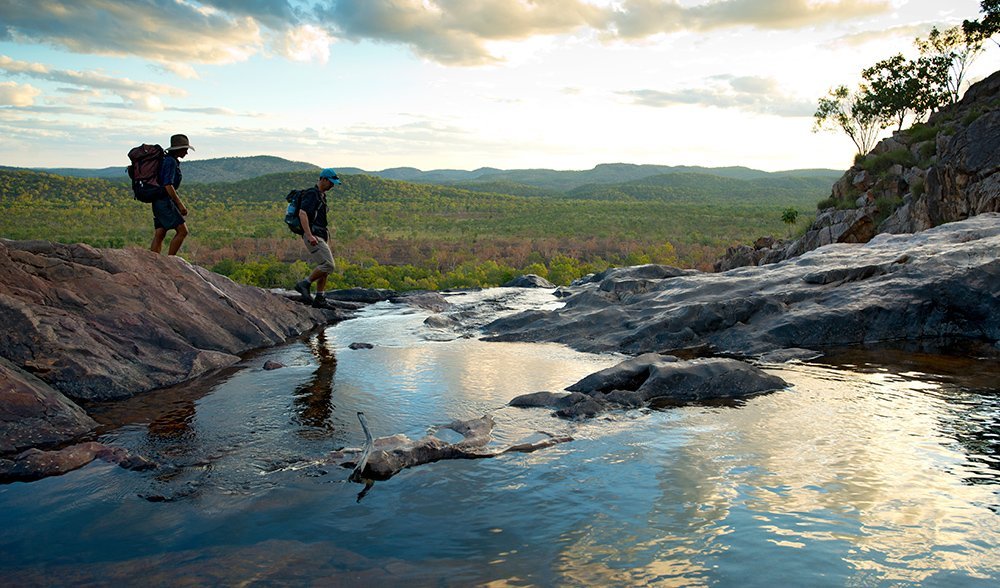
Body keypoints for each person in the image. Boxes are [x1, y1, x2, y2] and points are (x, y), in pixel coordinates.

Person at [294, 168, 341, 306]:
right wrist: (309, 235)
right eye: (331, 182)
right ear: (323, 179)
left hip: (320, 234)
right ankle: (304, 284)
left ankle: (320, 298)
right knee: (329, 265)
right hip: (313, 236)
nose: (332, 186)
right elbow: (302, 214)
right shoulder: (312, 194)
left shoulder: (321, 195)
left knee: (323, 267)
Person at [150, 134, 193, 255]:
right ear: (178, 149)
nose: (186, 152)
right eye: (185, 149)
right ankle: (171, 260)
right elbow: (168, 184)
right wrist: (180, 205)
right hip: (164, 201)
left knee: (160, 232)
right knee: (182, 231)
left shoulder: (166, 160)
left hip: (158, 201)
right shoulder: (170, 162)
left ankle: (153, 260)